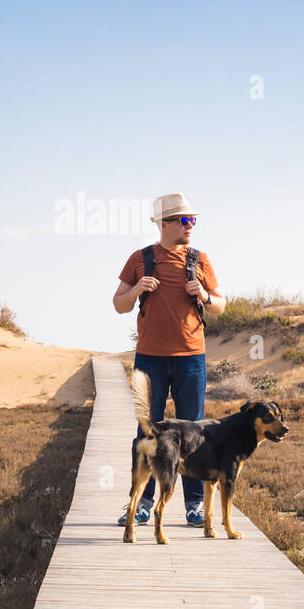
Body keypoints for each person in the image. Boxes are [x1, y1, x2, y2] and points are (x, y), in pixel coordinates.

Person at [112, 193, 225, 528]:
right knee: (147, 431)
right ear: (164, 224)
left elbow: (220, 305)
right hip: (150, 360)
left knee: (194, 432)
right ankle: (141, 503)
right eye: (184, 221)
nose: (190, 226)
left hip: (192, 358)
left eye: (193, 221)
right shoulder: (140, 258)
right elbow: (118, 304)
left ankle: (193, 505)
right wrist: (137, 289)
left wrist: (203, 295)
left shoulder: (199, 259)